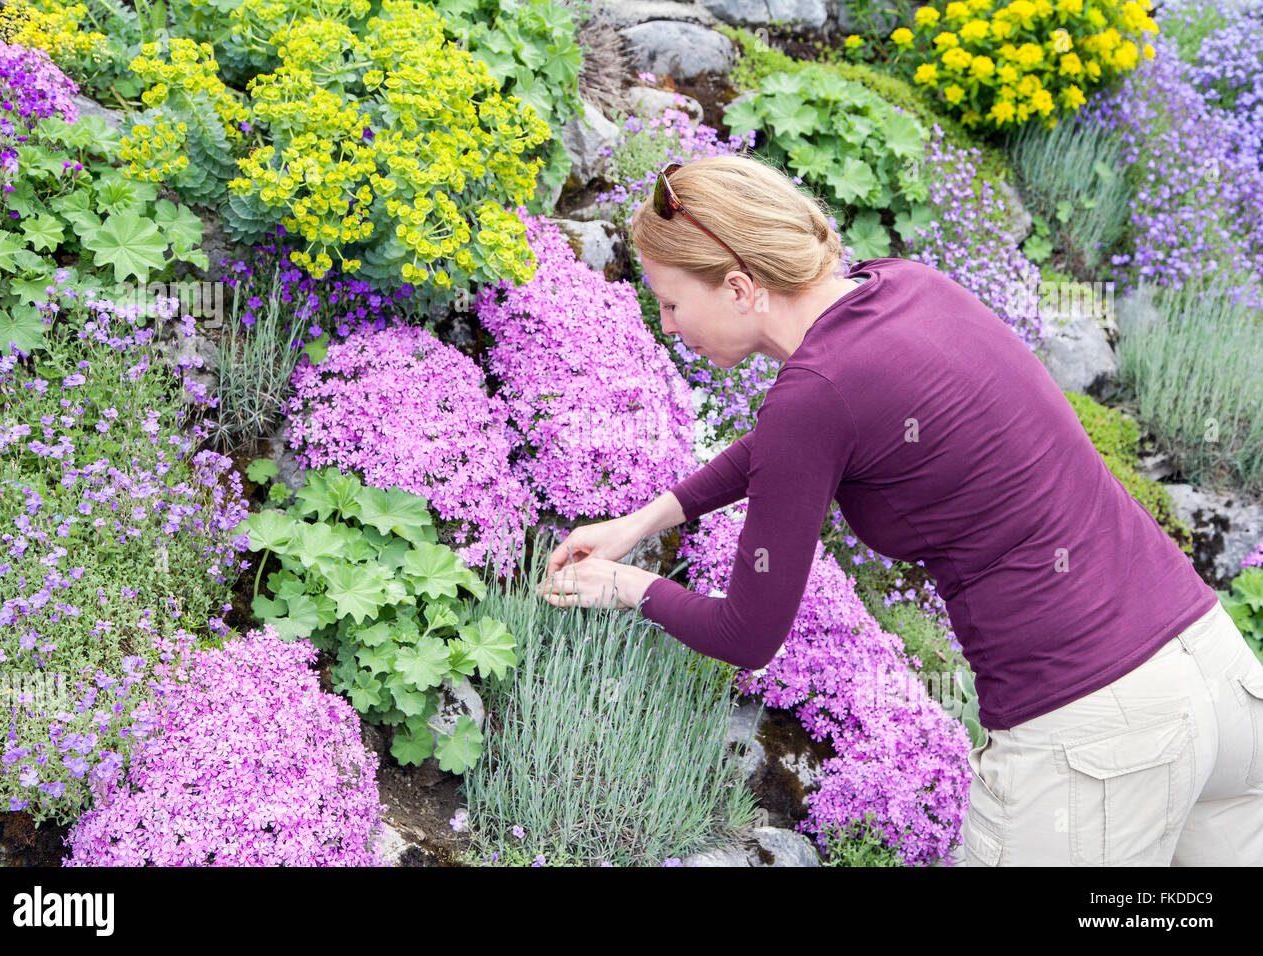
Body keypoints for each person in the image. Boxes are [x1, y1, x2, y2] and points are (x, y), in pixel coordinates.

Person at [537, 154, 1263, 865]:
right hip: (1211, 668)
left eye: (670, 302)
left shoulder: (812, 397)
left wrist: (625, 586)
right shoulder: (908, 287)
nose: (667, 325)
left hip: (1095, 731)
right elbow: (797, 443)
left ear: (737, 286)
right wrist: (647, 521)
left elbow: (748, 632)